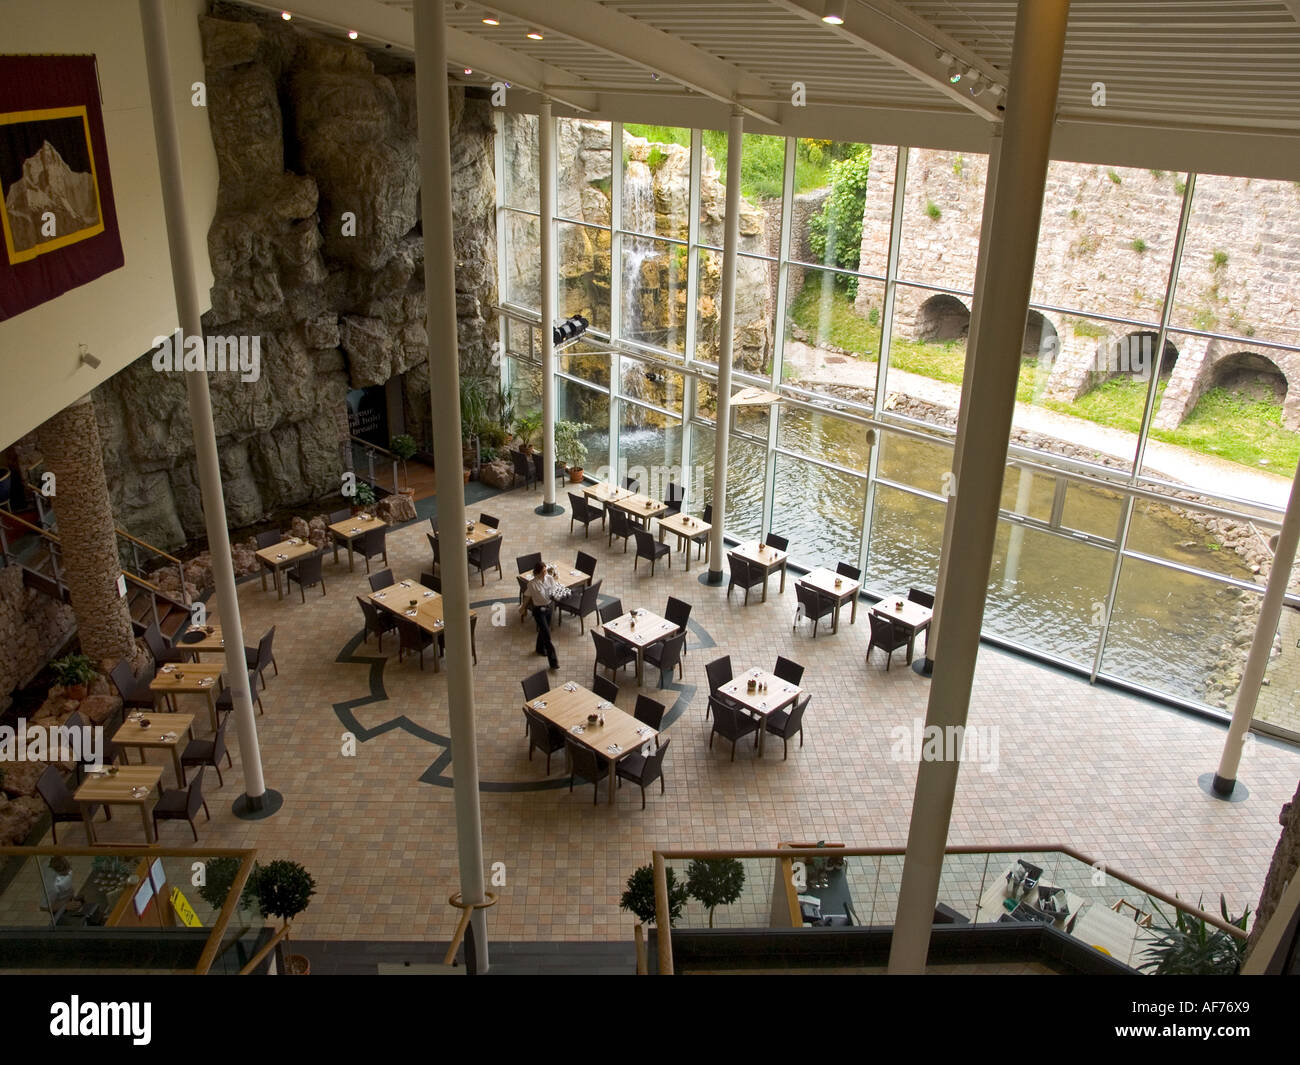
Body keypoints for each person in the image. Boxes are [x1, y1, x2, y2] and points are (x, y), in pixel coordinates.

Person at [522, 561, 564, 670]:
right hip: (539, 611)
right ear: (538, 572)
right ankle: (553, 662)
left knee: (543, 630)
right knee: (547, 635)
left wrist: (559, 596)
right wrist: (523, 608)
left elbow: (554, 590)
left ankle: (539, 648)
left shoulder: (549, 578)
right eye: (544, 571)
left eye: (546, 570)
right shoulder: (532, 584)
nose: (546, 572)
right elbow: (527, 596)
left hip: (549, 608)